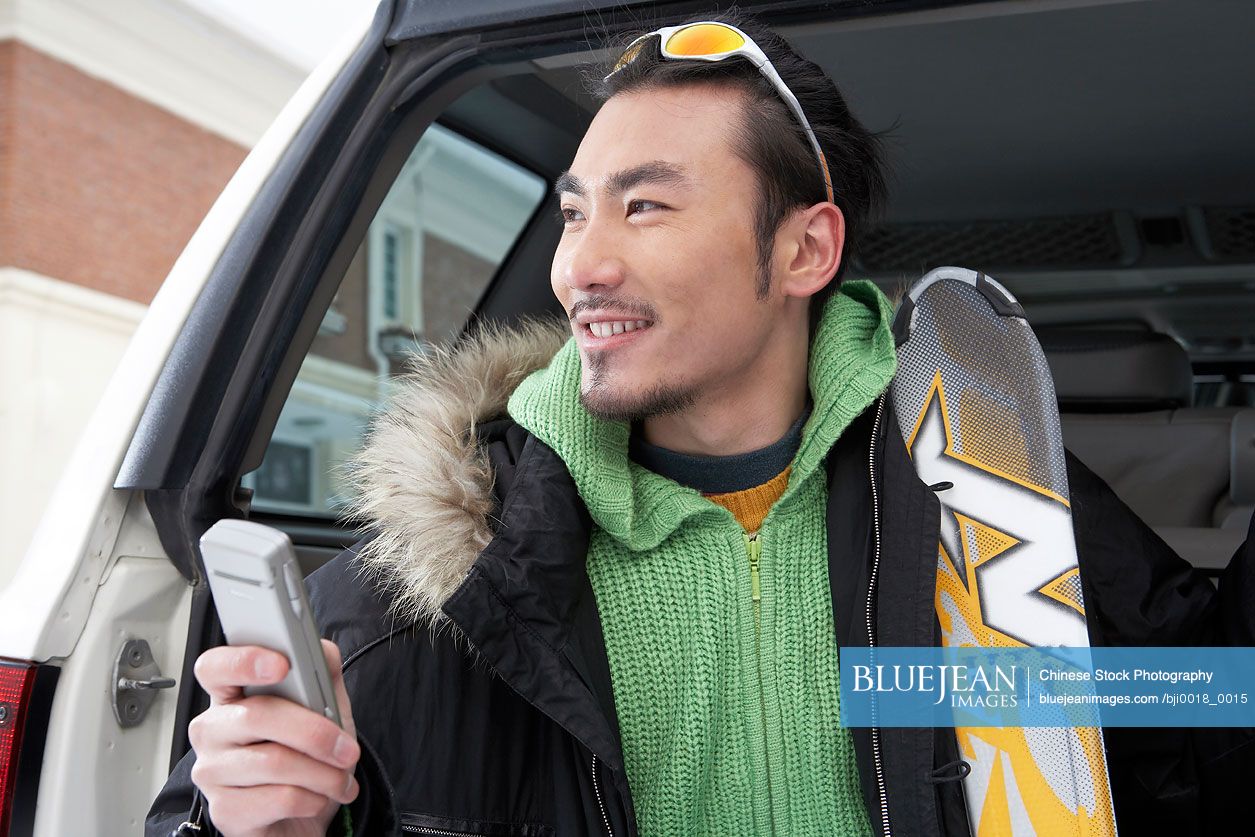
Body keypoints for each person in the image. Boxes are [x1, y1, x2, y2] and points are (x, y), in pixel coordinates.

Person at [147, 11, 1255, 837]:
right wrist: (257, 824)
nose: (579, 263)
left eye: (646, 205)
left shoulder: (989, 495)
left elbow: (1205, 733)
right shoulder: (432, 591)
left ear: (803, 251)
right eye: (575, 210)